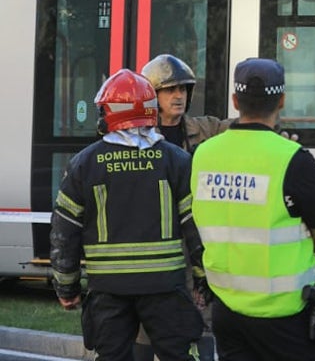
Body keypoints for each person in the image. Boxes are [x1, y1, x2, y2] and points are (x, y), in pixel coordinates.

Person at [190, 57, 315, 361]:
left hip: (227, 311)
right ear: (282, 100)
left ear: (235, 101)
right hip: (286, 314)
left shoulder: (202, 155)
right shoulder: (293, 158)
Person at [49, 69, 205, 361]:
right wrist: (201, 279)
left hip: (108, 290)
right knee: (176, 355)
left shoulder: (84, 164)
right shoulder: (177, 160)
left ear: (111, 111)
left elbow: (64, 232)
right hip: (165, 286)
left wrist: (66, 286)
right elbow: (195, 227)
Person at [135, 54, 230, 361]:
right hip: (156, 248)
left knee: (205, 320)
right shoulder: (136, 138)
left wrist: (276, 133)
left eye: (184, 89)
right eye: (170, 90)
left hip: (197, 244)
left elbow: (245, 129)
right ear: (152, 94)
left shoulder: (207, 129)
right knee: (147, 327)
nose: (179, 96)